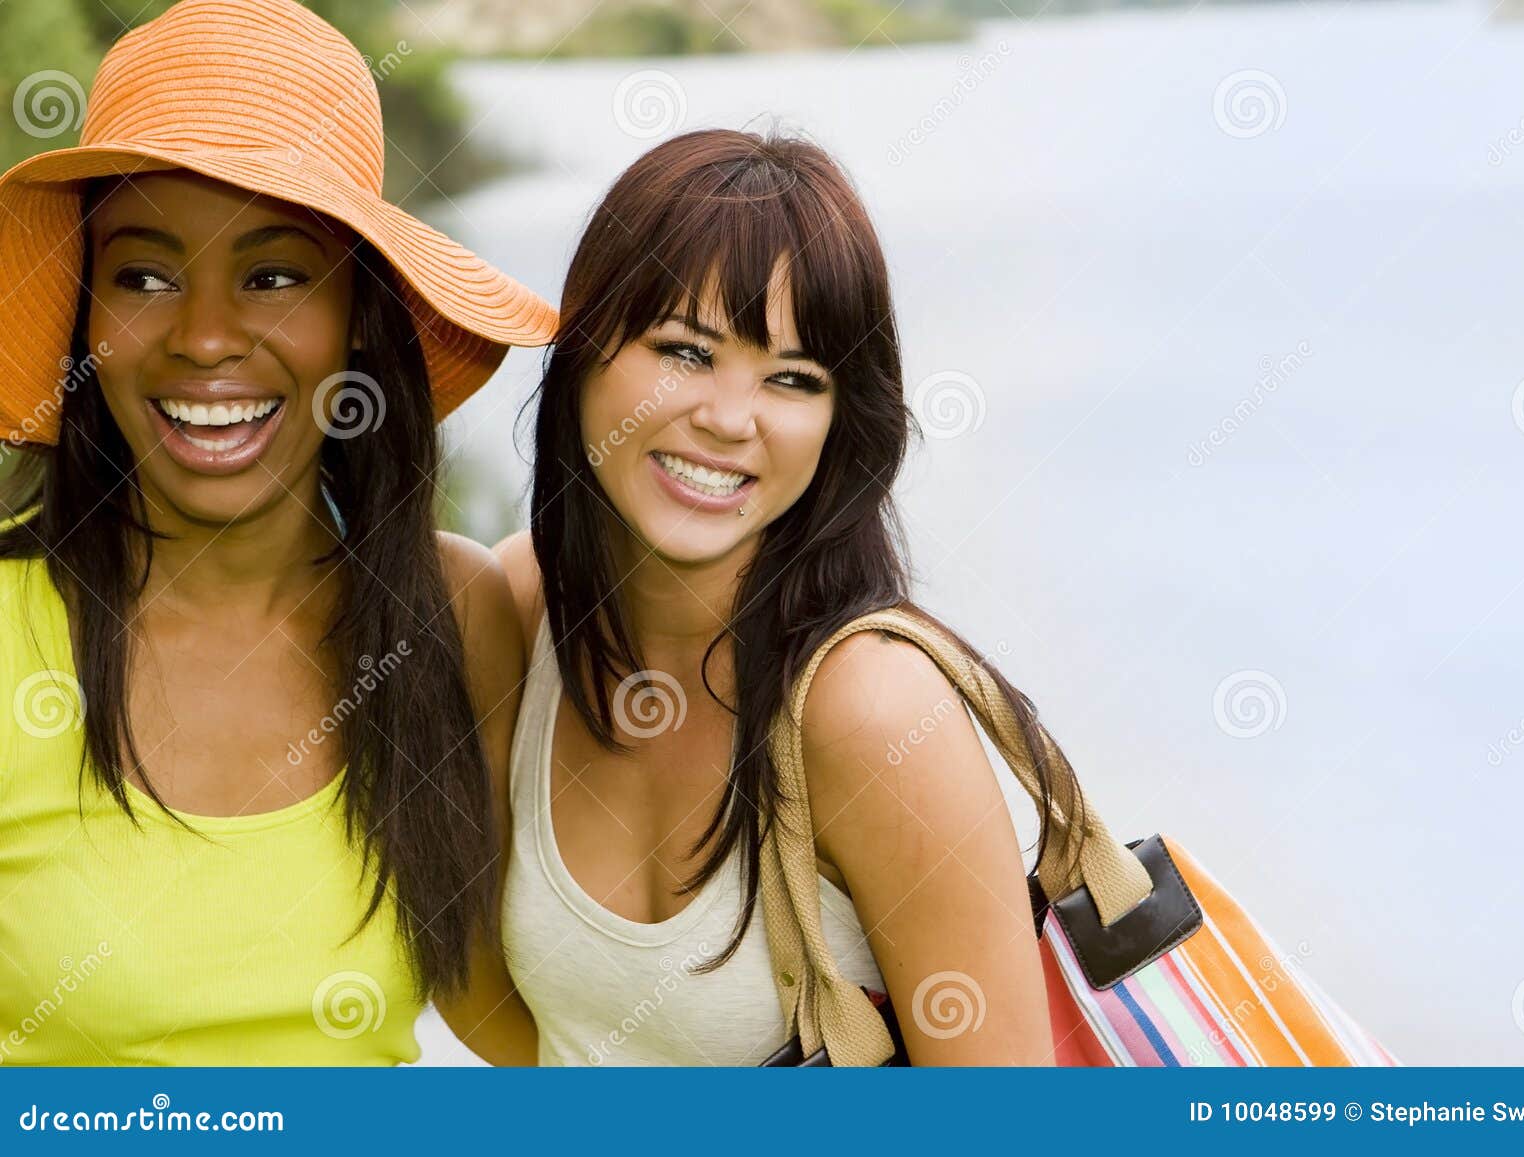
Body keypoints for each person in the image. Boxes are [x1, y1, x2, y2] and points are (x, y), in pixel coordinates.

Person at [0, 0, 551, 1064]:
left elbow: (511, 1020)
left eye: (273, 274)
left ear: (360, 314)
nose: (204, 336)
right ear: (83, 317)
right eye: (143, 276)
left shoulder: (458, 613)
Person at [488, 129, 1077, 1065]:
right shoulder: (520, 605)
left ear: (843, 421)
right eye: (684, 351)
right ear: (583, 348)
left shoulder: (871, 711)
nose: (729, 418)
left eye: (793, 378)